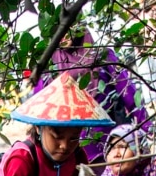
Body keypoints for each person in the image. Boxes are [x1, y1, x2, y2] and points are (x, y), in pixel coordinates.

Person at [35, 28, 150, 165]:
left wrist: (148, 130)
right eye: (59, 31)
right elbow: (38, 109)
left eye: (68, 29)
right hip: (66, 153)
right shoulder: (49, 66)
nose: (64, 36)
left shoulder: (102, 56)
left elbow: (128, 93)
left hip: (106, 151)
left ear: (78, 27)